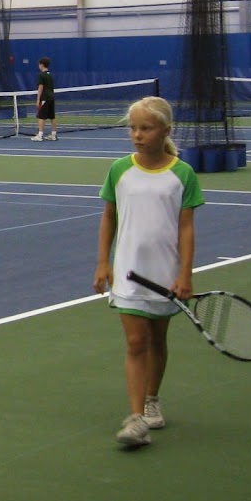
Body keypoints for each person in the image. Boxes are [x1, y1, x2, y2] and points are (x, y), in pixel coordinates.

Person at [93, 96, 203, 449]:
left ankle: (152, 398)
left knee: (157, 340)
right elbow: (108, 217)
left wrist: (185, 274)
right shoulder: (119, 170)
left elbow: (186, 229)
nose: (137, 135)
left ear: (165, 131)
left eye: (146, 128)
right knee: (136, 342)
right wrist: (102, 262)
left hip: (165, 274)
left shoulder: (182, 174)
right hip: (127, 273)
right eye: (133, 128)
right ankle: (137, 417)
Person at [30, 57, 57, 141]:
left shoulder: (41, 75)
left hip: (45, 98)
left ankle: (40, 135)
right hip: (51, 98)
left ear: (41, 65)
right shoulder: (51, 75)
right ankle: (53, 135)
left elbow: (40, 87)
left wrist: (38, 99)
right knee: (52, 117)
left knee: (41, 117)